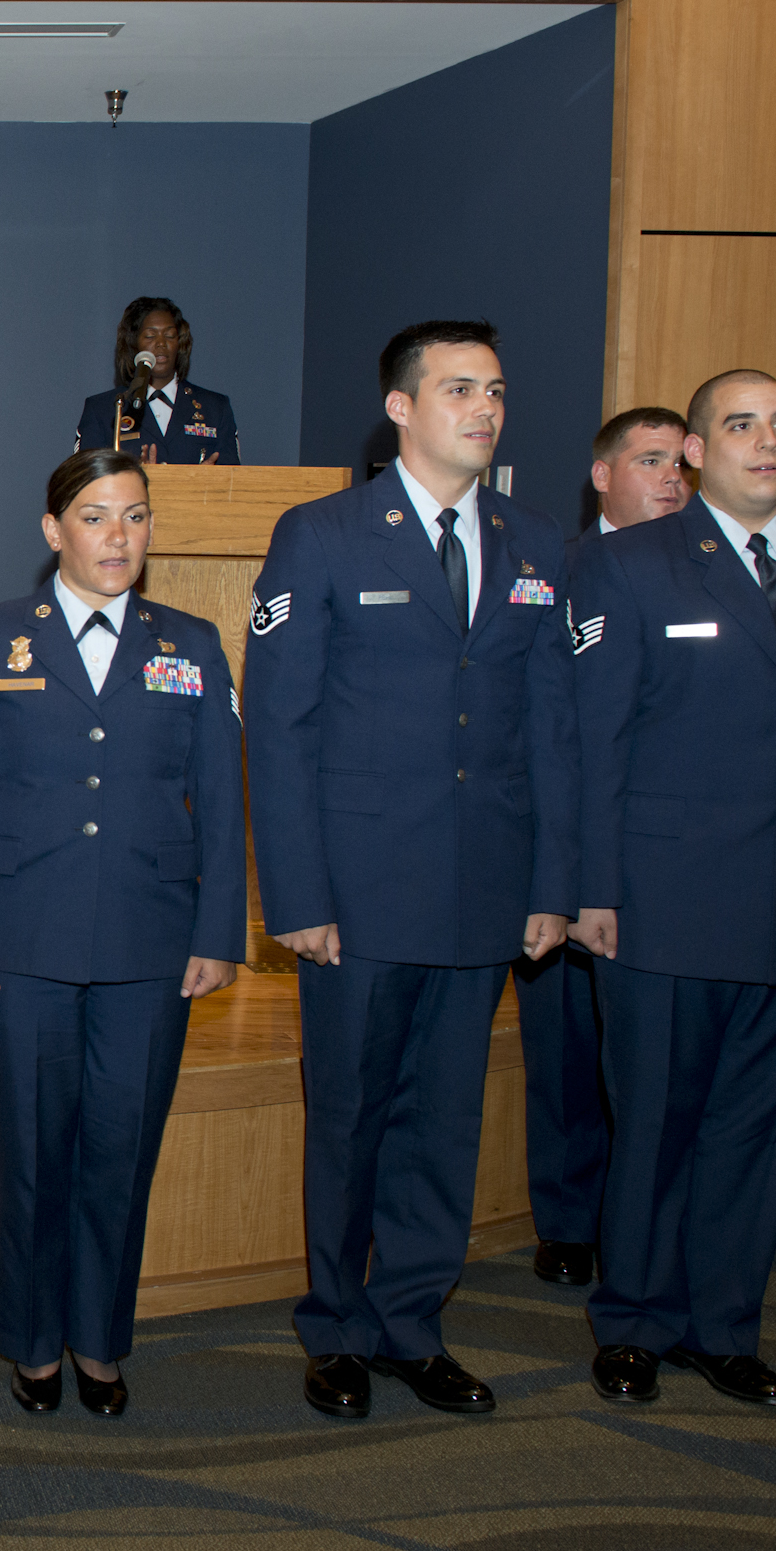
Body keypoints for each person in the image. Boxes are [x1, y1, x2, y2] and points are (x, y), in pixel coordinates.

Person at [245, 321, 575, 1420]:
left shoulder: (536, 544)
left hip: (485, 889)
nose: (482, 409)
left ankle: (412, 1324)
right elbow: (281, 730)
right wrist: (296, 897)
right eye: (456, 389)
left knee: (445, 1122)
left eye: (493, 389)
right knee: (350, 1116)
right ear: (400, 407)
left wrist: (551, 885)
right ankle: (337, 1326)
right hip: (358, 896)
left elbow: (554, 732)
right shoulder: (324, 536)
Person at [569, 368, 776, 1408]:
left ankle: (725, 1325)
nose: (767, 442)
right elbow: (594, 740)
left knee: (762, 1130)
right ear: (697, 451)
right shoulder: (632, 565)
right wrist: (593, 883)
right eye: (740, 425)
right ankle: (636, 1322)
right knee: (658, 1123)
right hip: (665, 901)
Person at [0, 449, 245, 1416]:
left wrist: (219, 931)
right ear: (53, 529)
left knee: (121, 1149)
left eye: (136, 518)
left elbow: (224, 804)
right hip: (19, 942)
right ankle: (31, 1340)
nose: (119, 537)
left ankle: (100, 1339)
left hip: (152, 945)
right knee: (31, 1154)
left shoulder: (191, 643)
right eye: (97, 517)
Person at [516, 405, 689, 1289]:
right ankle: (569, 1217)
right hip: (568, 850)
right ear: (602, 477)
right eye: (650, 460)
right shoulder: (561, 570)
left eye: (679, 463)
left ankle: (646, 1217)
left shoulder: (709, 576)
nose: (670, 479)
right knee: (568, 1052)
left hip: (669, 860)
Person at [73, 297, 239, 465]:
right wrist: (135, 478)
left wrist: (207, 482)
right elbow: (84, 482)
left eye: (169, 335)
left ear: (180, 344)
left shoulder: (215, 408)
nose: (161, 343)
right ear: (134, 344)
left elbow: (235, 481)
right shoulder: (104, 409)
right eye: (150, 336)